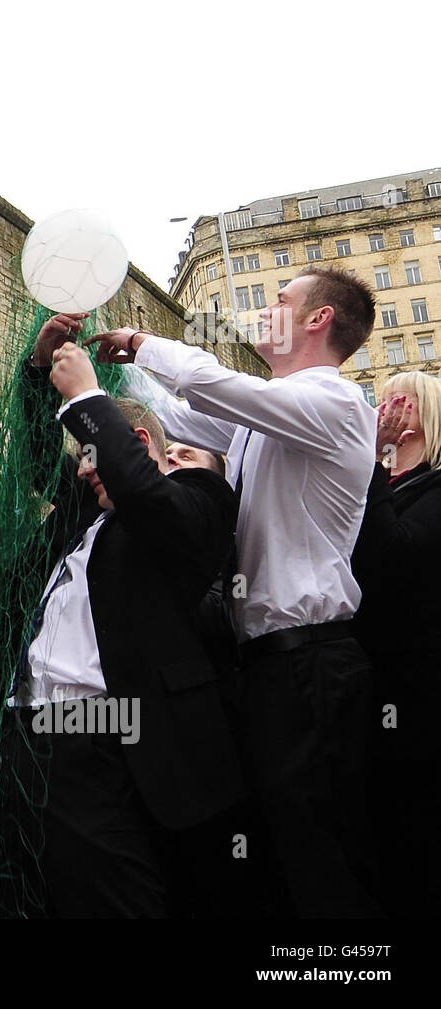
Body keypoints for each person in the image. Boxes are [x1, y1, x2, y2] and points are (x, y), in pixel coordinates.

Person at [87, 265, 381, 916]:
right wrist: (98, 375)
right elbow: (181, 414)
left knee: (324, 857)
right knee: (285, 854)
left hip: (315, 668)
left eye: (280, 299)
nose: (263, 309)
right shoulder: (267, 416)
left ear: (317, 319)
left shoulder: (336, 404)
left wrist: (142, 342)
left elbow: (214, 381)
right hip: (271, 671)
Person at [13, 320, 245, 917]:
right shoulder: (83, 513)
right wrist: (40, 374)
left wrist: (86, 397)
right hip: (41, 743)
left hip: (119, 739)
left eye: (92, 457)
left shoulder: (198, 499)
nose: (85, 472)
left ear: (139, 441)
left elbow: (148, 498)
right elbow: (39, 454)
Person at [352, 373, 441, 916]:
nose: (382, 407)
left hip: (416, 695)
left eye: (397, 399)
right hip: (365, 683)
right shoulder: (381, 482)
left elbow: (395, 557)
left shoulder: (432, 489)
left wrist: (370, 464)